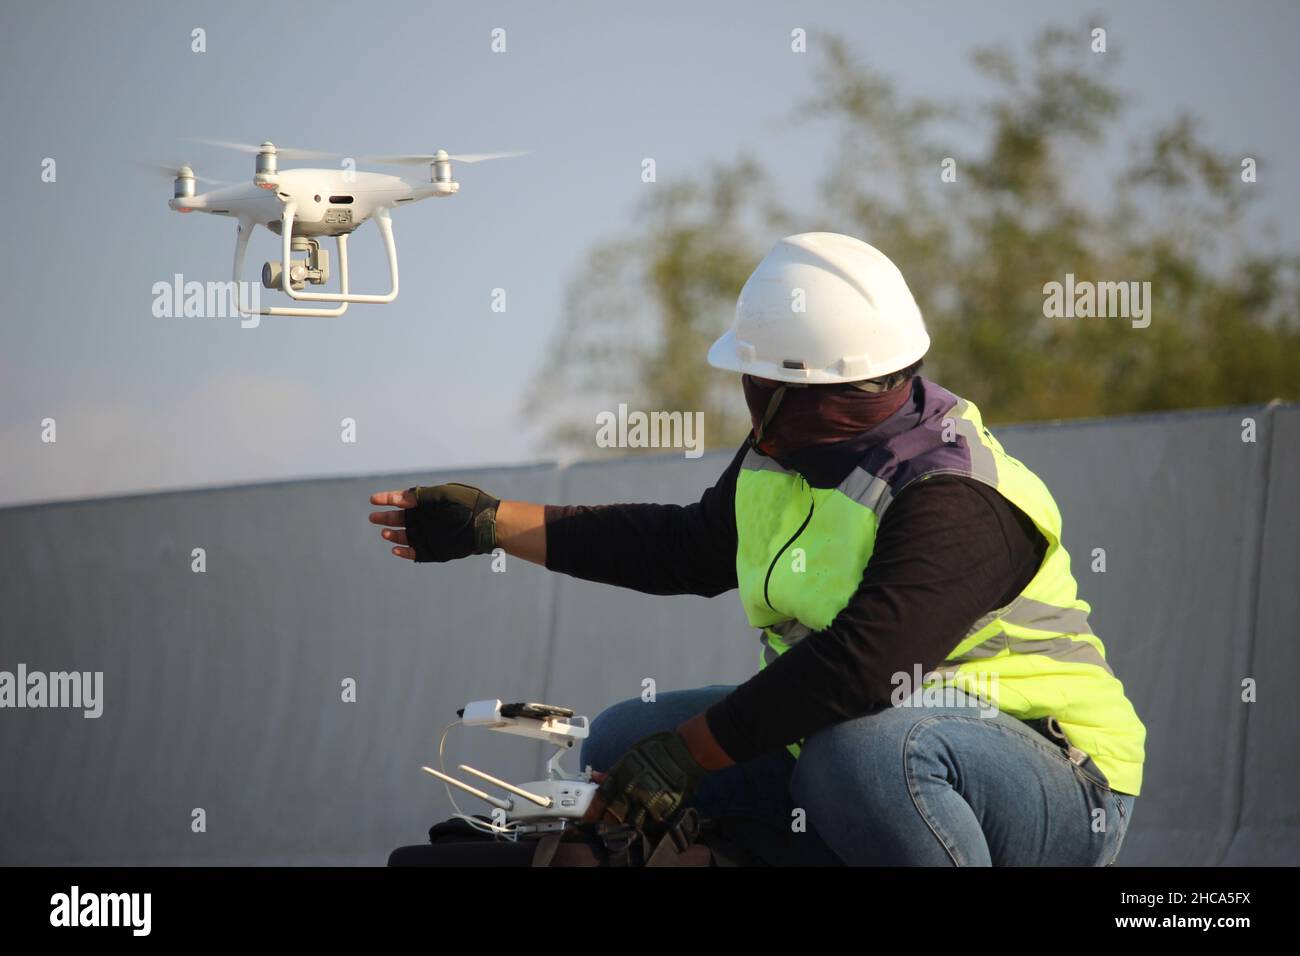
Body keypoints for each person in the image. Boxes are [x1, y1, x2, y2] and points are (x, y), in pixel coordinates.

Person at [368, 232, 1145, 866]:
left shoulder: (956, 494)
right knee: (621, 738)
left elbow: (861, 667)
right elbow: (687, 548)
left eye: (753, 377)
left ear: (796, 391)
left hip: (1056, 780)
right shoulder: (786, 451)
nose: (741, 393)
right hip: (866, 740)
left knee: (860, 760)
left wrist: (690, 756)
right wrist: (489, 524)